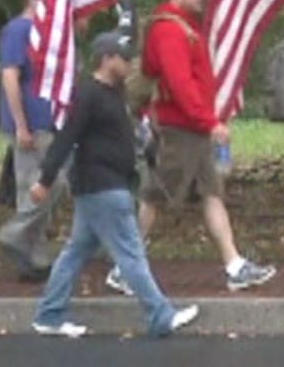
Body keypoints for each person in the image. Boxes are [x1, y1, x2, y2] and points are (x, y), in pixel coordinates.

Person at [108, 0, 275, 294]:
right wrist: (209, 121)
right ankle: (123, 268)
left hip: (191, 129)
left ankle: (234, 265)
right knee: (154, 196)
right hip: (178, 129)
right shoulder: (169, 31)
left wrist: (206, 122)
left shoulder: (182, 28)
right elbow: (179, 83)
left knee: (211, 194)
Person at [30, 31, 199, 338]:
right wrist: (45, 178)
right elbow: (67, 137)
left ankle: (49, 314)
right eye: (123, 58)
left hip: (107, 183)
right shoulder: (89, 94)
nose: (130, 63)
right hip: (101, 185)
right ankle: (160, 314)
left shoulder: (114, 93)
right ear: (106, 59)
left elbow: (122, 131)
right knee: (130, 251)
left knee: (76, 251)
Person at [0, 0, 73, 282]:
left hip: (50, 122)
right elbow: (10, 77)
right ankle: (17, 238)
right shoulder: (19, 30)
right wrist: (20, 124)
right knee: (41, 186)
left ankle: (33, 255)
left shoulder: (45, 34)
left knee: (48, 185)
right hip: (32, 125)